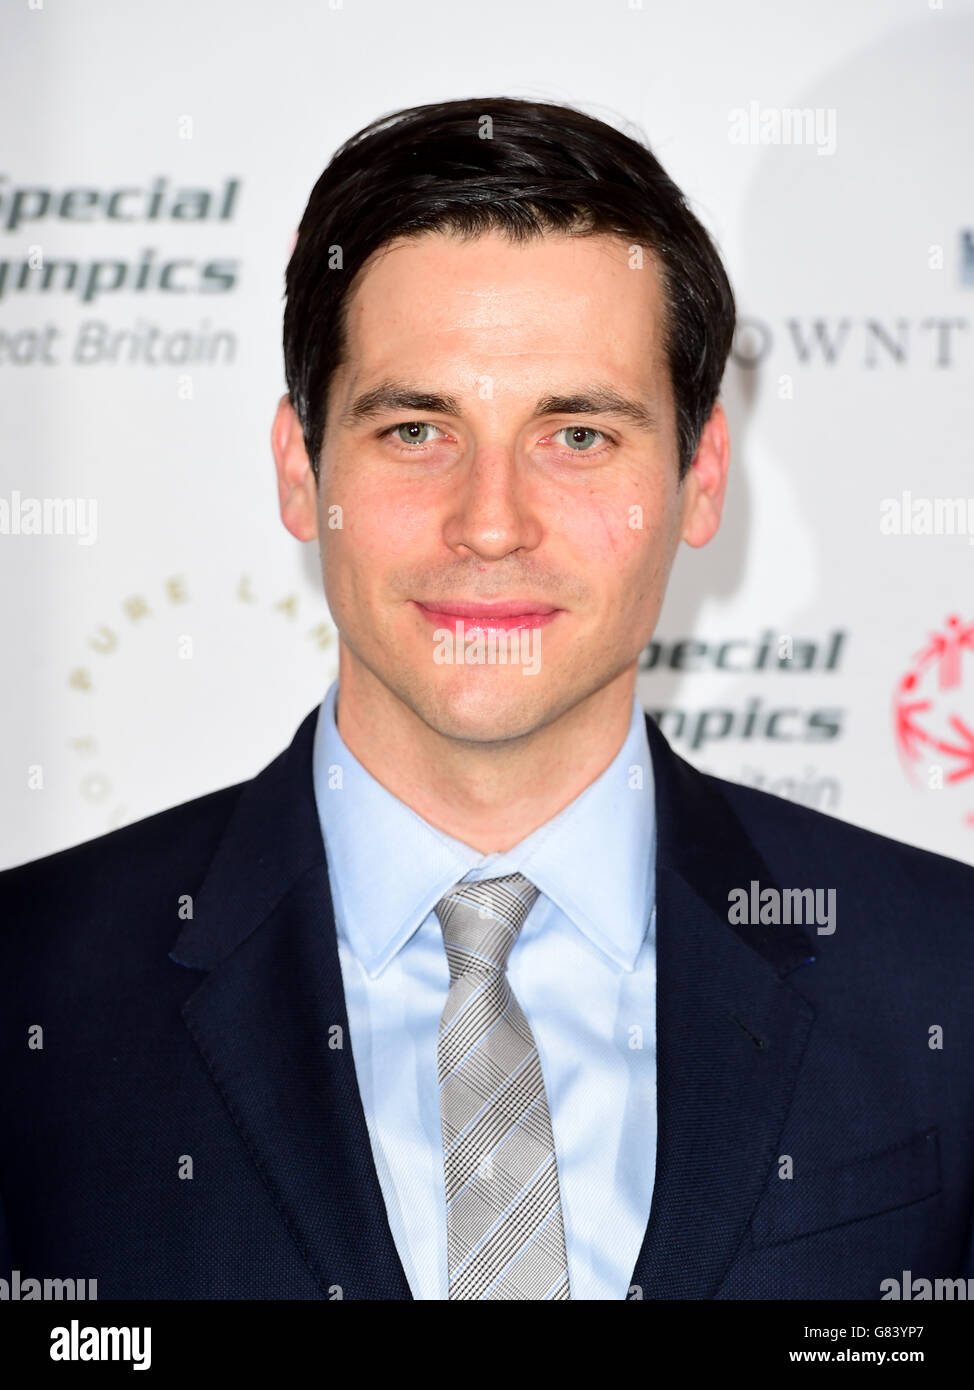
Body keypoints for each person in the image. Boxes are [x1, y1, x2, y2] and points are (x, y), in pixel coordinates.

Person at [2, 97, 972, 1302]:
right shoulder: (31, 985)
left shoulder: (945, 978)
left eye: (575, 435)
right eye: (416, 429)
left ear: (698, 477)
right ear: (301, 470)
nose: (491, 523)